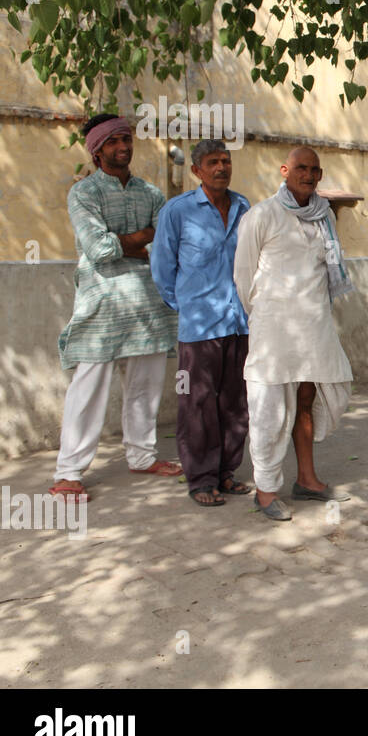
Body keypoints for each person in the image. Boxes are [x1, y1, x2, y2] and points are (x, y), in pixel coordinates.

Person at [50, 114, 182, 502]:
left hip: (149, 303)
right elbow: (99, 249)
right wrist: (142, 240)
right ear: (97, 149)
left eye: (126, 138)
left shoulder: (152, 194)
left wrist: (130, 242)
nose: (122, 146)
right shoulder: (84, 193)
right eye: (113, 141)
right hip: (102, 303)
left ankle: (142, 456)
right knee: (88, 388)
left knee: (146, 384)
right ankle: (68, 472)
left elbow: (165, 247)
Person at [234, 146, 354, 522]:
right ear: (285, 171)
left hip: (314, 325)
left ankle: (307, 479)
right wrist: (266, 314)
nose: (309, 175)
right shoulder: (262, 215)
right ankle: (266, 491)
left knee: (308, 397)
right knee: (269, 409)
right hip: (273, 330)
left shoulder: (324, 218)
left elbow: (327, 271)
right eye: (301, 168)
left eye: (315, 169)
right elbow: (243, 277)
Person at [151, 139, 252, 507]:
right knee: (196, 404)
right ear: (197, 170)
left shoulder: (244, 208)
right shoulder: (177, 212)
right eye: (213, 162)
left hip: (239, 323)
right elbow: (162, 270)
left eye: (226, 161)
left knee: (236, 403)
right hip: (198, 330)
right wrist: (188, 307)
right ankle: (200, 479)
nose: (221, 168)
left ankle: (226, 473)